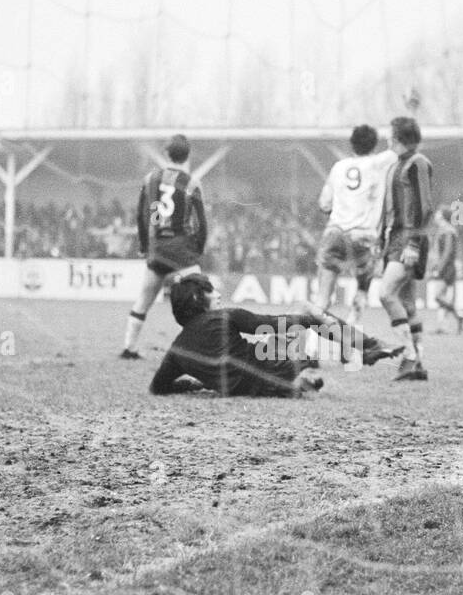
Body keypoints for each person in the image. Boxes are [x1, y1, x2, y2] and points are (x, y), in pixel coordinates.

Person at [149, 273, 399, 398]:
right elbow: (273, 324)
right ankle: (366, 346)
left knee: (271, 349)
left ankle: (304, 381)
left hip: (254, 388)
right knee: (306, 310)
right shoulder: (225, 316)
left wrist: (193, 383)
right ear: (197, 298)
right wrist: (311, 320)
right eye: (211, 291)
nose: (218, 295)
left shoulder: (177, 350)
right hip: (278, 367)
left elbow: (157, 388)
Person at [121, 134, 208, 359]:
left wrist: (144, 246)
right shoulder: (191, 183)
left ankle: (129, 348)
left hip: (157, 249)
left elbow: (141, 217)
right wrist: (197, 251)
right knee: (202, 297)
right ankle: (201, 349)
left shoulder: (150, 179)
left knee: (144, 298)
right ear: (187, 156)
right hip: (181, 252)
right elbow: (201, 224)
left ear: (166, 154)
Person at [314, 124, 398, 324]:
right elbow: (400, 146)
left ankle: (310, 346)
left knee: (323, 297)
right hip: (363, 236)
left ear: (351, 144)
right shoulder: (378, 163)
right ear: (374, 145)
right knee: (360, 293)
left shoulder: (338, 167)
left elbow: (324, 203)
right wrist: (413, 110)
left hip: (334, 233)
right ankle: (351, 341)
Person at [379, 116, 436, 381]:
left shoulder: (418, 163)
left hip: (408, 239)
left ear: (399, 137)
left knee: (386, 293)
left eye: (391, 134)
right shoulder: (396, 165)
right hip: (395, 240)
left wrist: (414, 243)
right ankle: (419, 364)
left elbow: (425, 207)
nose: (387, 138)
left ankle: (410, 356)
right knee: (407, 303)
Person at [429, 204, 463, 334]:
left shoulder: (448, 231)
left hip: (446, 268)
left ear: (442, 216)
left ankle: (458, 314)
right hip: (446, 267)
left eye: (438, 213)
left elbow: (447, 252)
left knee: (438, 296)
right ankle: (444, 326)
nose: (436, 216)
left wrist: (439, 268)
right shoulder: (444, 230)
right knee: (442, 297)